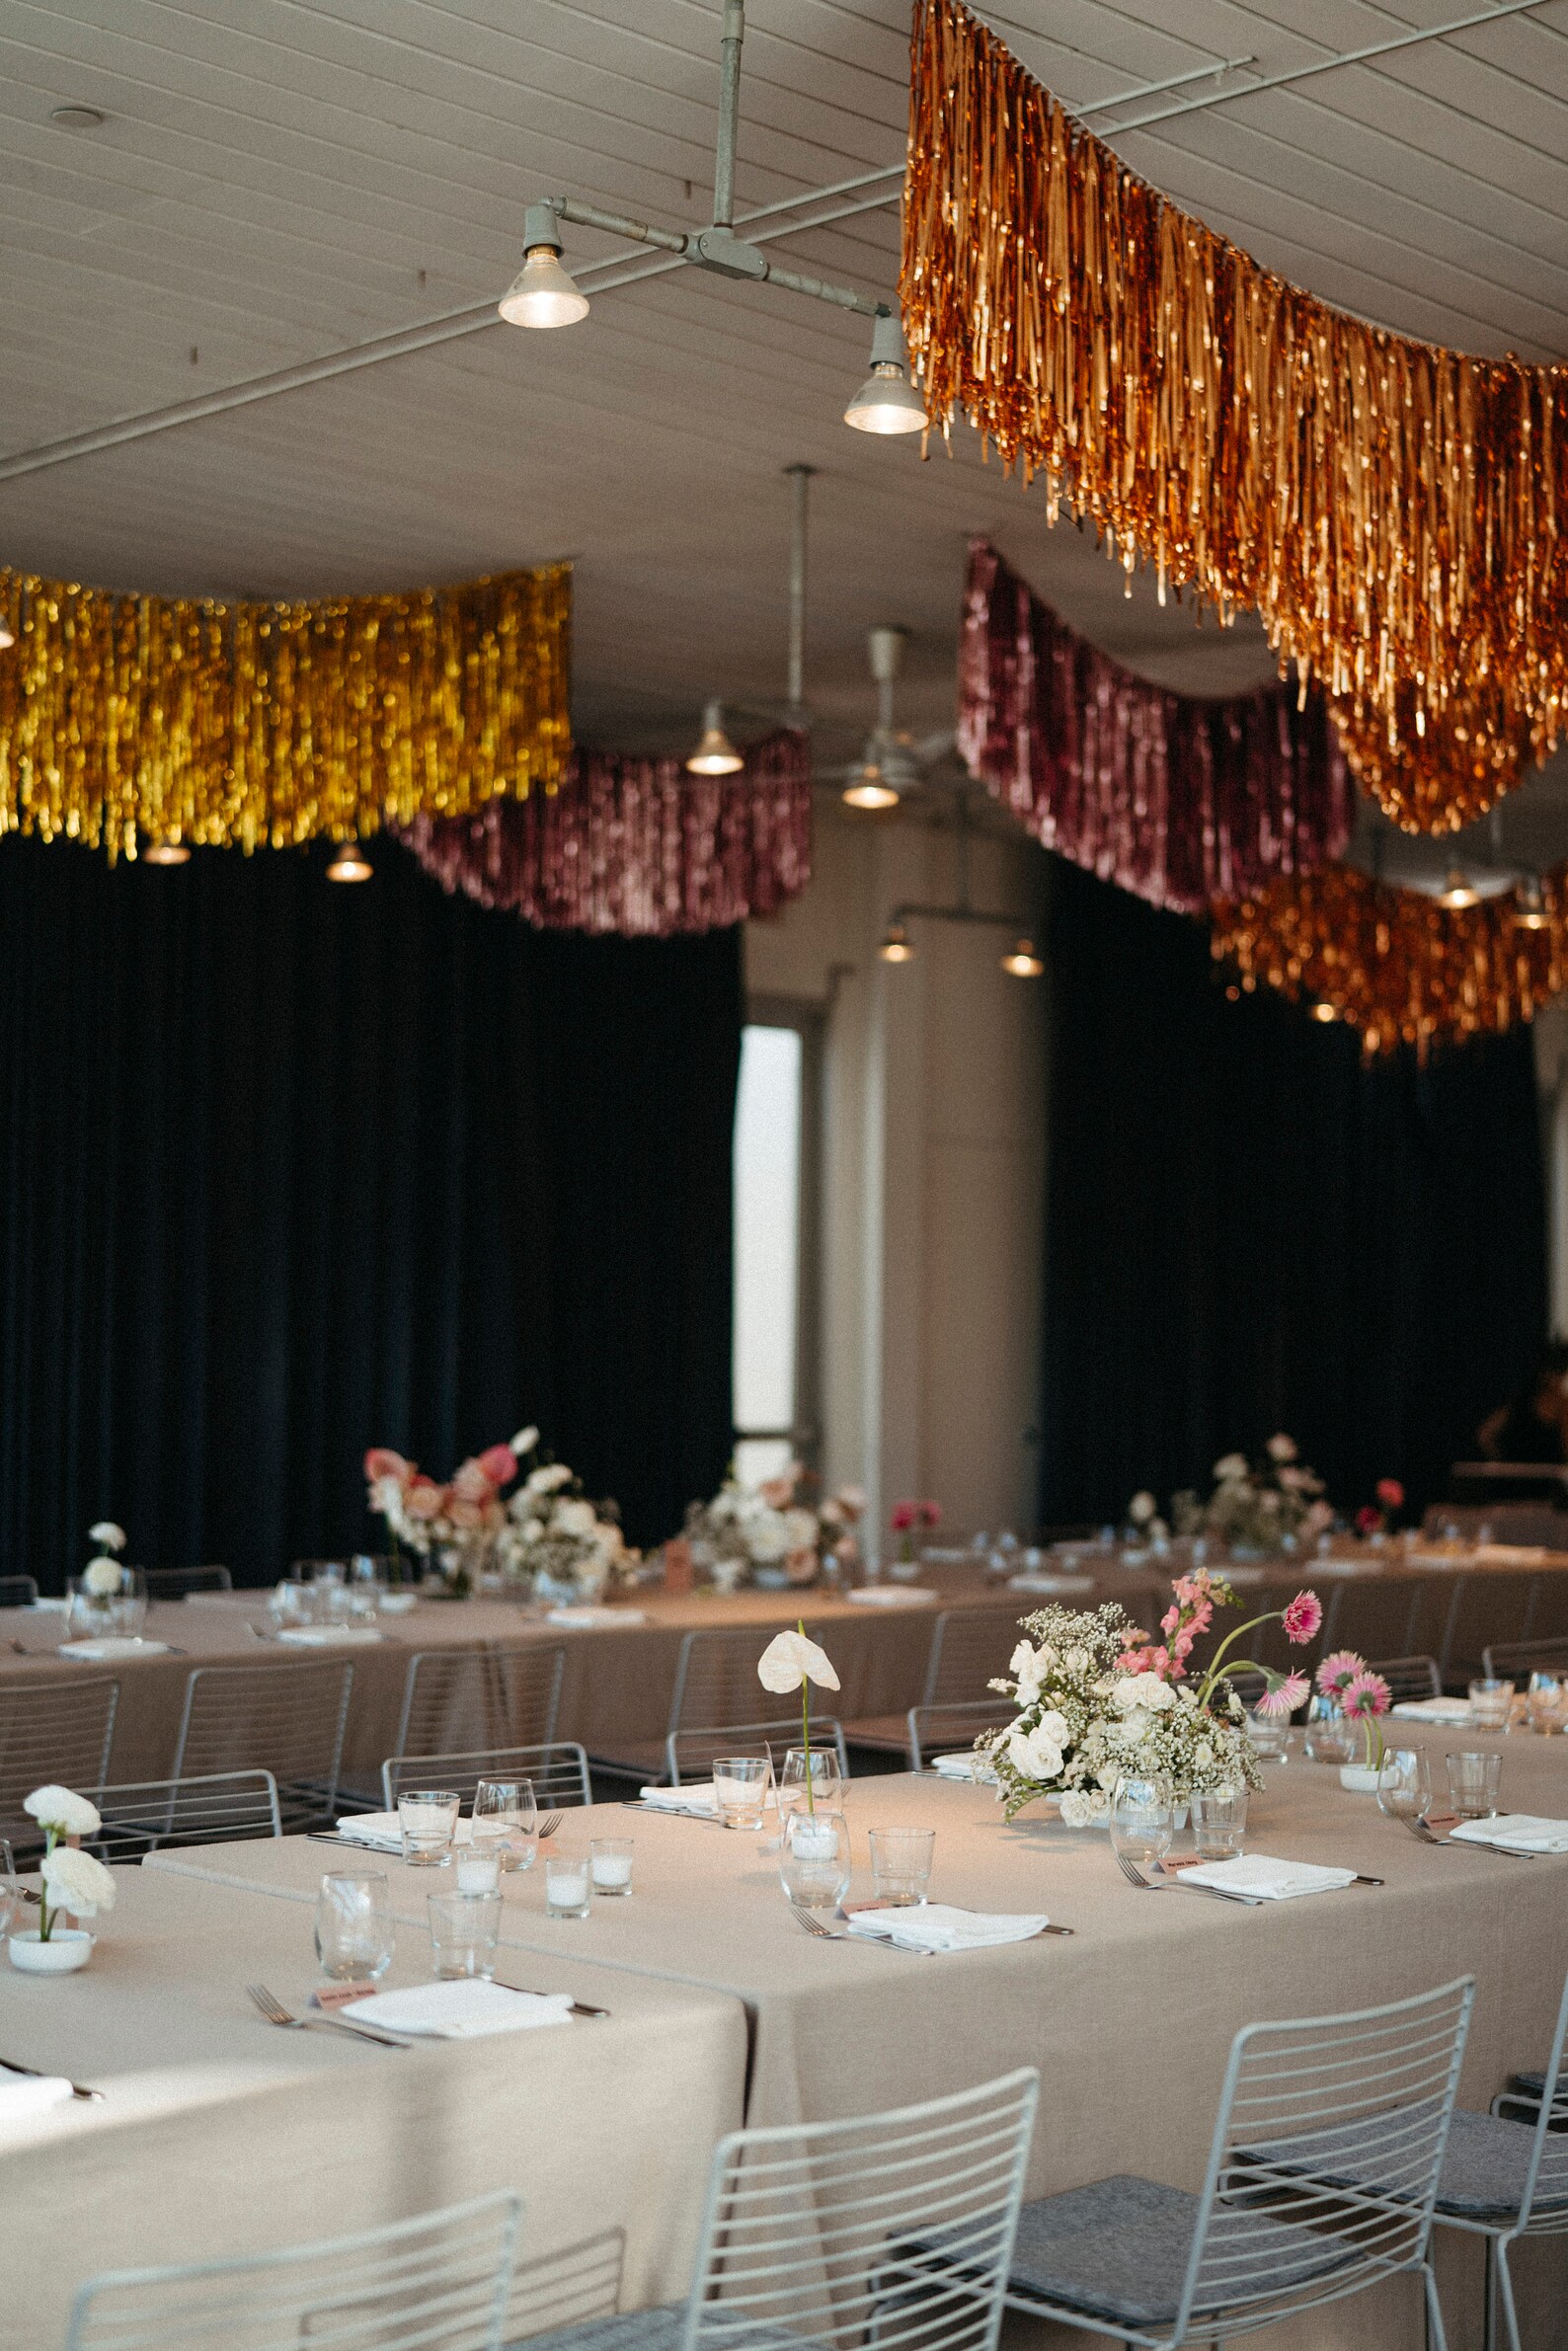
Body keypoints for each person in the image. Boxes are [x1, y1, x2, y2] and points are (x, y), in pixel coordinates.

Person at [1477, 1340, 1568, 1462]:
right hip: (1543, 1477)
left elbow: (1484, 1436)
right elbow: (1485, 1435)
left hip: (1520, 1475)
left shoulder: (1519, 1401)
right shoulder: (1561, 1405)